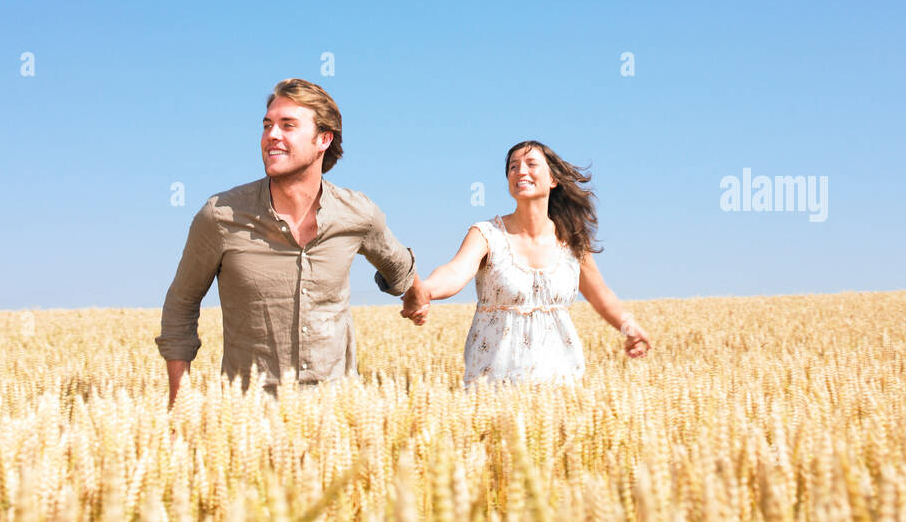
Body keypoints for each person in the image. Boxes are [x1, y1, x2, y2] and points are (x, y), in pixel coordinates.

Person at [155, 78, 425, 403]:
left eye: (288, 125)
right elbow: (181, 307)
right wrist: (179, 405)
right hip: (248, 421)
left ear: (323, 139)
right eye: (267, 125)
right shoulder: (220, 216)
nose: (272, 135)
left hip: (337, 417)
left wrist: (415, 296)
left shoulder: (358, 213)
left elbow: (399, 267)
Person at [401, 140, 651, 385]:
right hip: (493, 386)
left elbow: (601, 295)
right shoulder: (487, 234)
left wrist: (628, 327)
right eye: (513, 166)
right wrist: (425, 290)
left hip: (560, 384)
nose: (520, 171)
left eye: (531, 164)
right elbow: (455, 271)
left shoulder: (573, 241)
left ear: (553, 180)